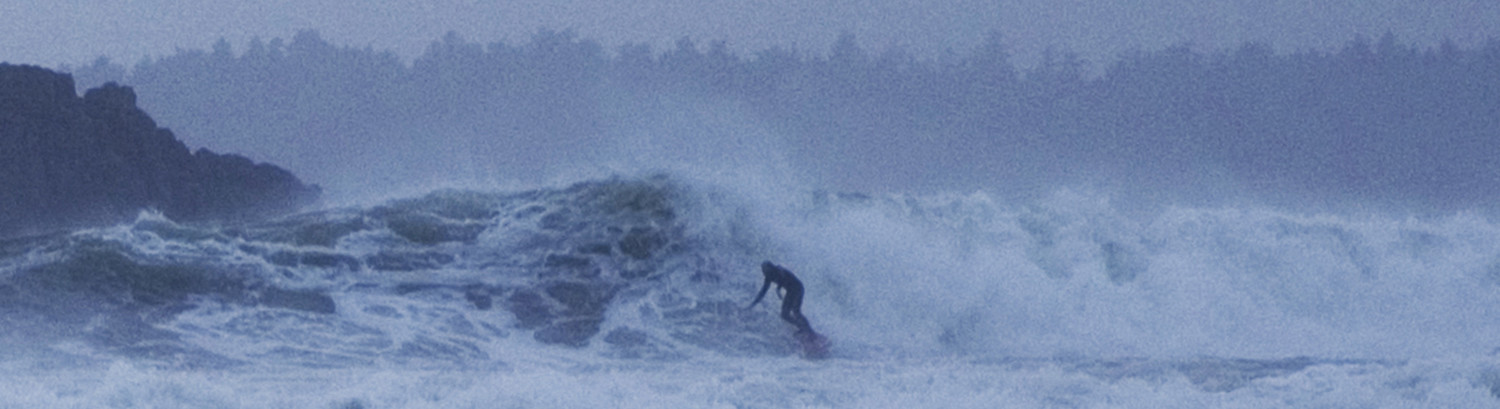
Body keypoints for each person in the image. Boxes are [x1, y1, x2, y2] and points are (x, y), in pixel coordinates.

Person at [749, 261, 815, 335]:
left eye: (765, 270)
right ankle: (801, 327)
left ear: (771, 268)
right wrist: (752, 305)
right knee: (784, 315)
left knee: (796, 311)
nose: (764, 273)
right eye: (763, 271)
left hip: (797, 288)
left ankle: (809, 330)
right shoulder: (768, 277)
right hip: (791, 291)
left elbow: (782, 275)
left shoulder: (778, 269)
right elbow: (762, 293)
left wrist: (778, 288)